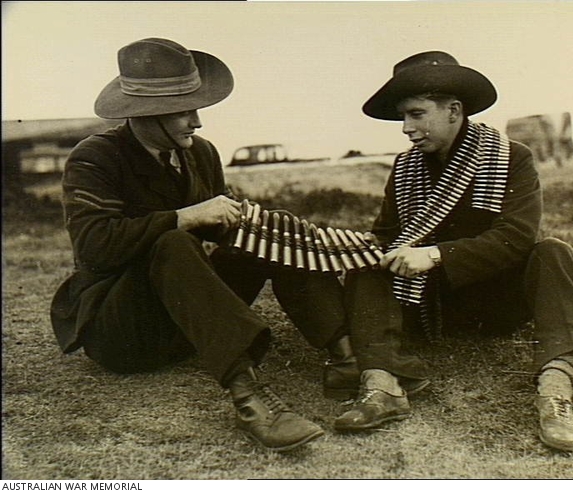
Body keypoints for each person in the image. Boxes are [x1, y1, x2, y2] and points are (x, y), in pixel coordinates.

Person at [49, 37, 358, 452]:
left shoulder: (200, 154)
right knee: (173, 242)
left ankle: (345, 355)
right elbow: (94, 248)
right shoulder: (96, 157)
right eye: (184, 111)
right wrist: (185, 216)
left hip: (185, 321)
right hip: (124, 331)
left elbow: (224, 228)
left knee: (271, 229)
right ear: (147, 112)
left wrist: (249, 220)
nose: (197, 122)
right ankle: (250, 400)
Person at [327, 51, 573, 452]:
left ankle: (556, 388)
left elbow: (516, 236)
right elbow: (387, 236)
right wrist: (365, 248)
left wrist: (436, 255)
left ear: (454, 110)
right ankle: (382, 385)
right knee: (368, 263)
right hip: (428, 304)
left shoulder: (512, 157)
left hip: (496, 302)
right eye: (403, 117)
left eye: (416, 114)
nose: (406, 128)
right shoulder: (404, 167)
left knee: (552, 251)